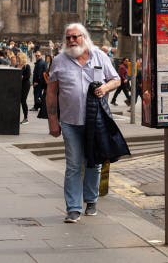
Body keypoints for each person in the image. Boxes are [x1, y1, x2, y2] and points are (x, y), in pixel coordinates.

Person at [46, 23, 121, 223]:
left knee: (93, 163)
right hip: (70, 122)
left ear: (84, 37)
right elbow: (51, 92)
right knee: (73, 165)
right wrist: (52, 121)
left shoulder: (100, 57)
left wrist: (105, 88)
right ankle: (73, 208)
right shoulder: (59, 61)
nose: (71, 40)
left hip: (95, 122)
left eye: (75, 37)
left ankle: (91, 199)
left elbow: (116, 79)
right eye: (68, 37)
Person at [18, 51, 32, 124]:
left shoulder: (27, 66)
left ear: (22, 58)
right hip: (18, 84)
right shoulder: (18, 65)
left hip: (25, 85)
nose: (18, 59)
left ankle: (26, 118)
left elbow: (28, 75)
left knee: (23, 100)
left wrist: (22, 77)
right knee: (18, 101)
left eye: (19, 57)